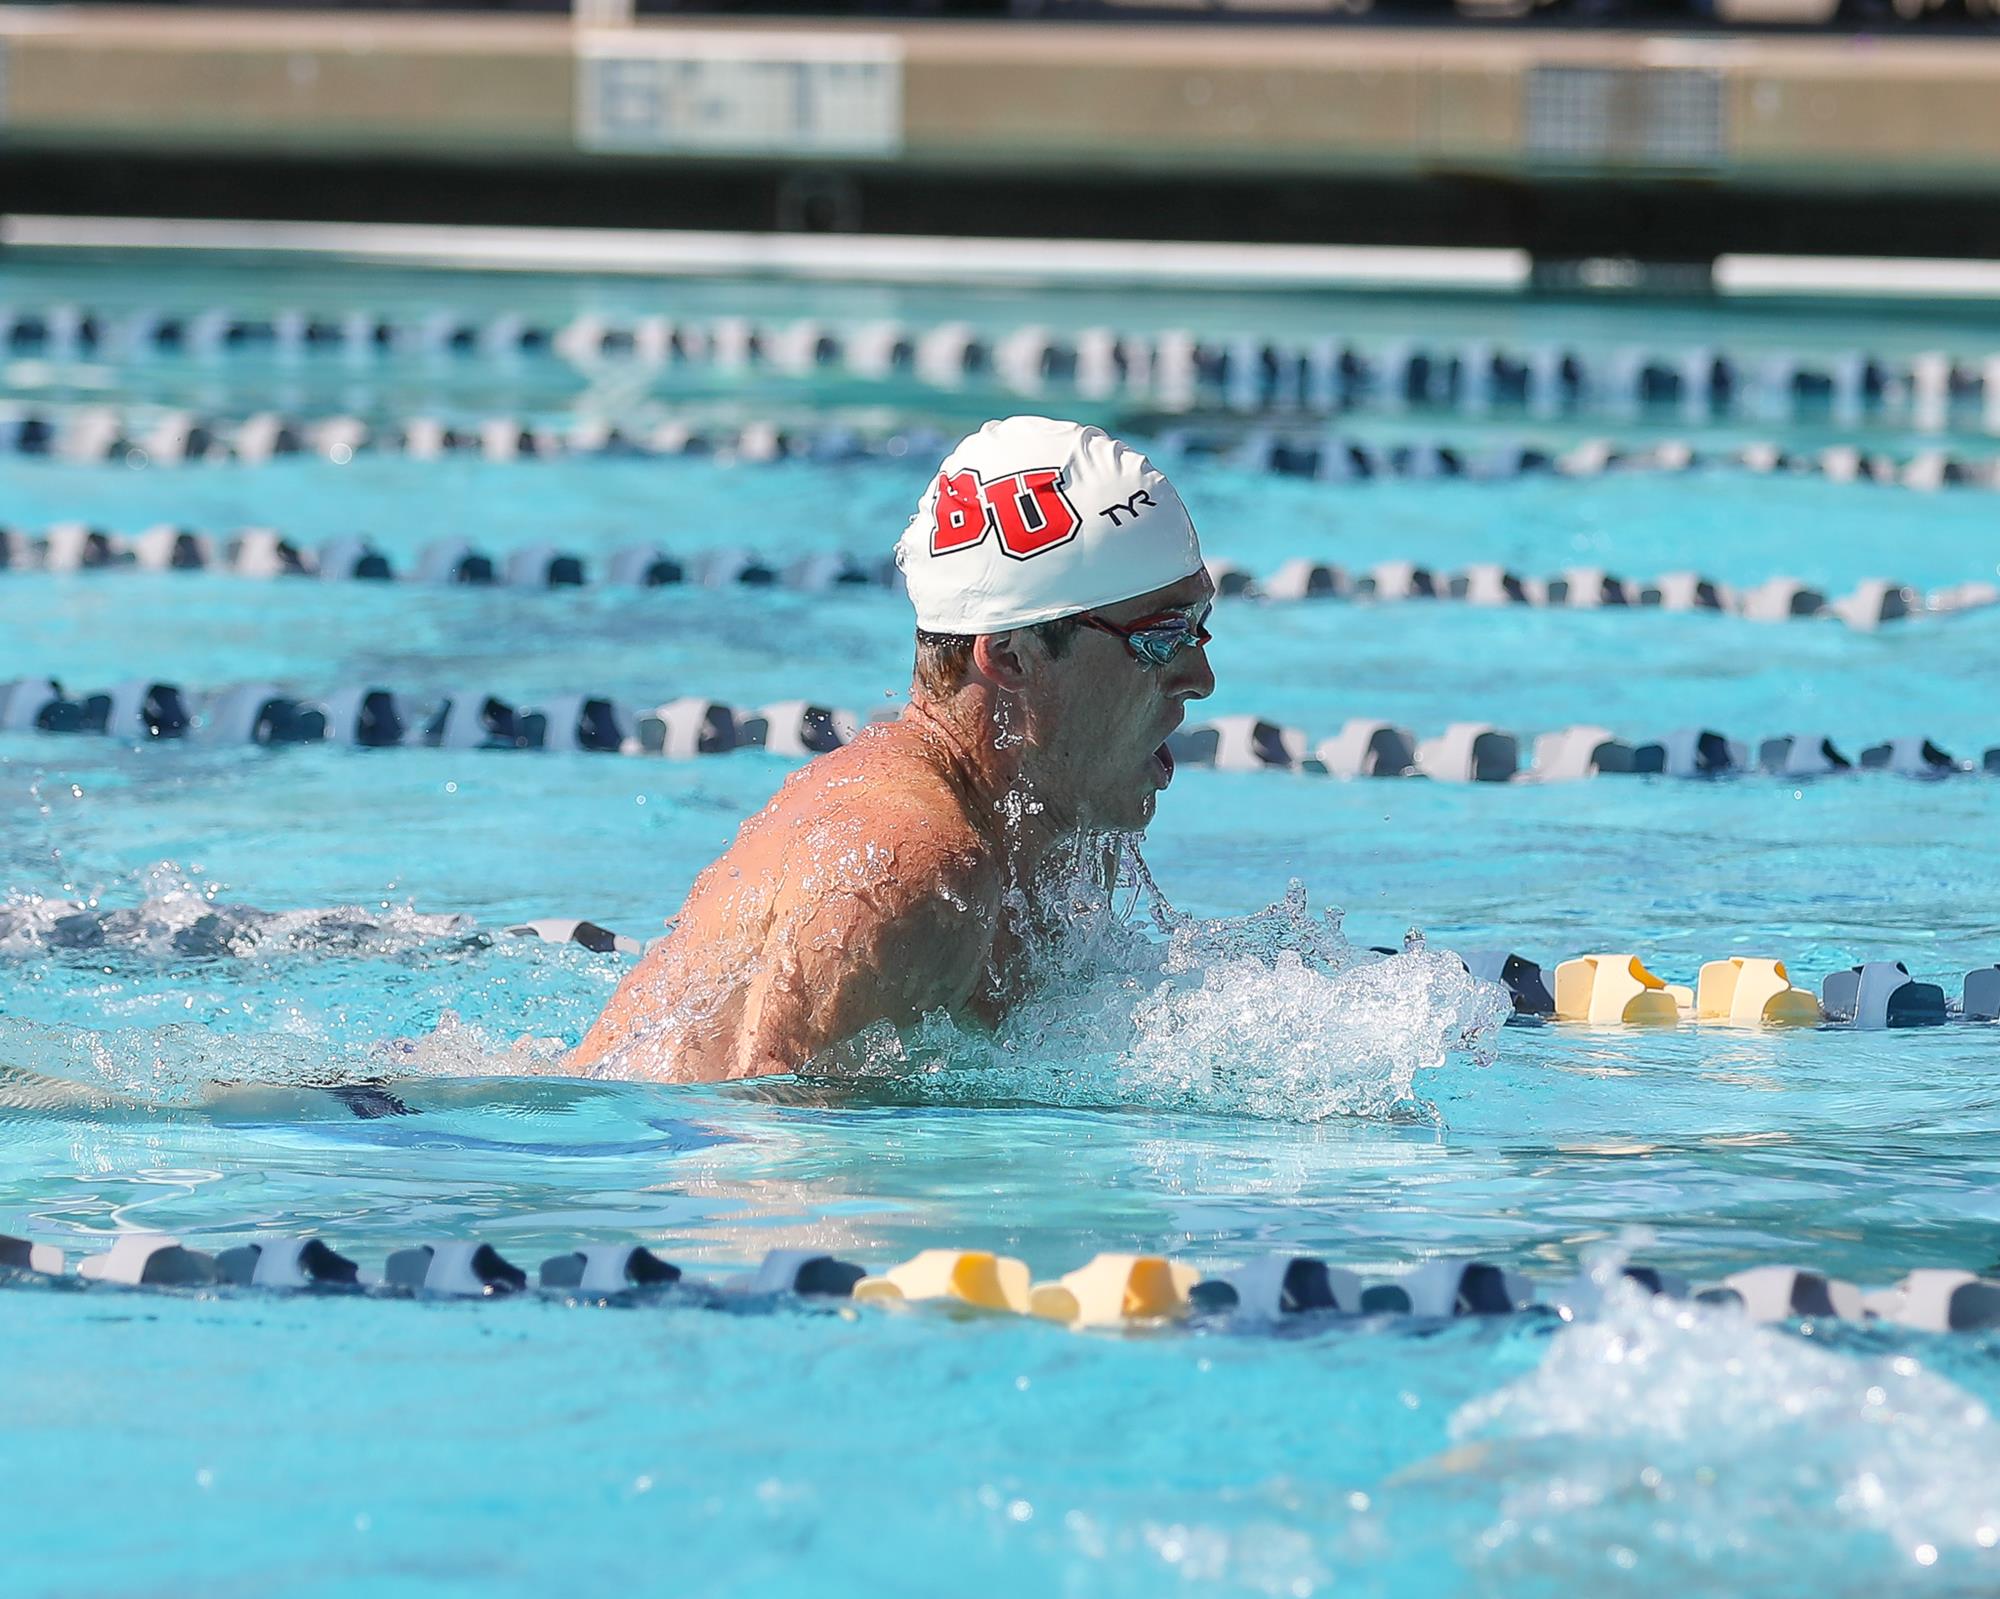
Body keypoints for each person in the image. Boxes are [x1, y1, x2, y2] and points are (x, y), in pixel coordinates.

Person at [568, 416, 1215, 1082]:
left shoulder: (1059, 831)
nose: (1201, 677)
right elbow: (759, 1158)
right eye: (1161, 640)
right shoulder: (910, 872)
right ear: (1013, 658)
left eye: (1202, 626)